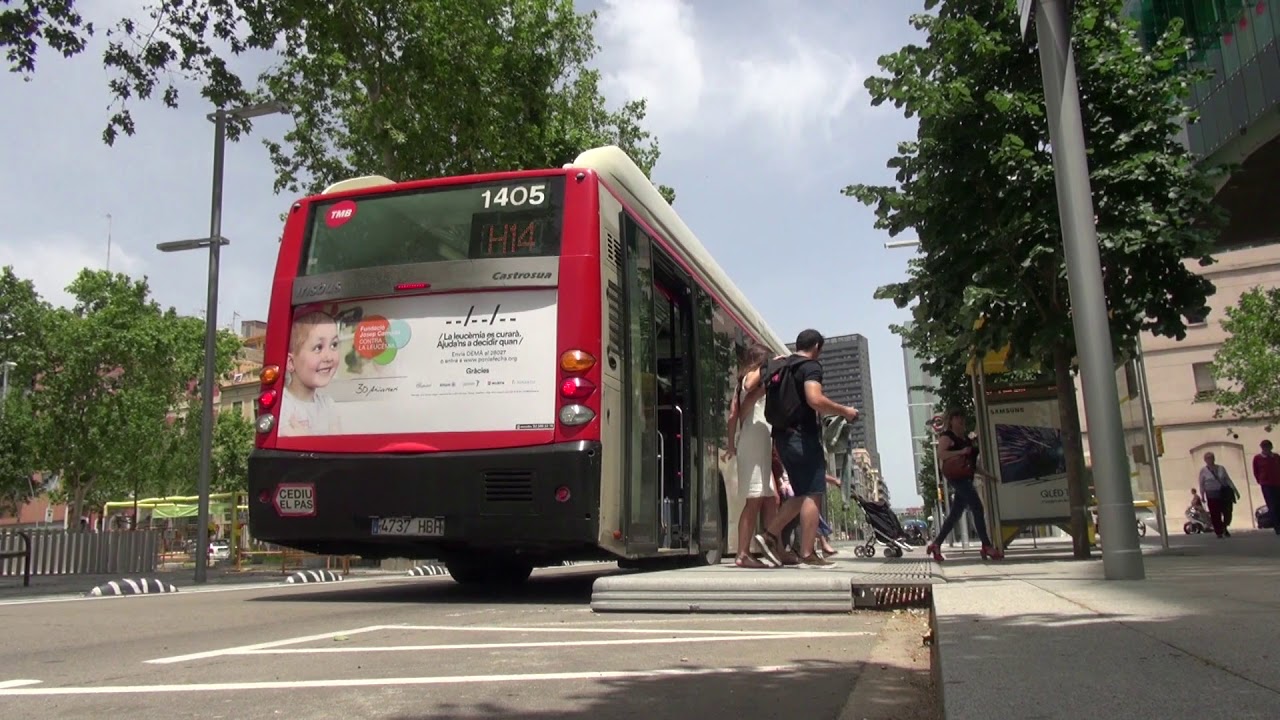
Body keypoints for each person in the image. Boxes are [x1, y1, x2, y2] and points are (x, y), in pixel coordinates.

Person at [751, 329, 859, 568]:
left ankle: (769, 535)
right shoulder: (811, 366)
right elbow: (814, 399)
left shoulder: (781, 365)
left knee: (800, 493)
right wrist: (845, 411)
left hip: (780, 438)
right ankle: (808, 552)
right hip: (802, 436)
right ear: (817, 347)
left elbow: (752, 385)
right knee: (813, 491)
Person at [725, 344, 779, 568]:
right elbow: (748, 388)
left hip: (757, 442)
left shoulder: (745, 385)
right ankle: (743, 553)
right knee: (755, 499)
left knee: (770, 498)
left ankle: (773, 548)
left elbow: (732, 416)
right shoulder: (750, 379)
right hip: (754, 442)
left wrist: (731, 444)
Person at [926, 409, 1003, 562]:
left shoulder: (967, 440)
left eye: (962, 418)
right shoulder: (947, 437)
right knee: (977, 506)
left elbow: (972, 464)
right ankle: (986, 545)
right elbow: (941, 454)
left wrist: (988, 476)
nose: (961, 421)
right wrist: (960, 452)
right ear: (951, 421)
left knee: (955, 514)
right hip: (956, 477)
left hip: (966, 477)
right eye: (957, 418)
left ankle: (936, 544)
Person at [279, 309, 343, 437]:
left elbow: (337, 447)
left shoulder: (328, 405)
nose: (329, 357)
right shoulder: (282, 407)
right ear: (291, 363)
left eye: (334, 345)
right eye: (318, 347)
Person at [1198, 451, 1239, 538]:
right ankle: (1219, 531)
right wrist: (1202, 496)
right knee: (1215, 514)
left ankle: (1224, 526)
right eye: (1208, 458)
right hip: (1211, 494)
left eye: (1211, 458)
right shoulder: (1203, 471)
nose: (1210, 460)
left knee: (1227, 512)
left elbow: (1228, 479)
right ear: (1205, 460)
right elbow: (1201, 484)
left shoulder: (1221, 468)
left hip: (1224, 493)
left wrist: (1235, 490)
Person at [1253, 440, 1280, 535]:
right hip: (1266, 484)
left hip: (1278, 483)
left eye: (1268, 447)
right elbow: (1255, 471)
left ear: (1271, 447)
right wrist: (1260, 481)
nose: (1266, 449)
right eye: (1264, 447)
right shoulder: (1257, 458)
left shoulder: (1276, 457)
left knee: (1278, 505)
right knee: (1272, 505)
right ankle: (1277, 527)